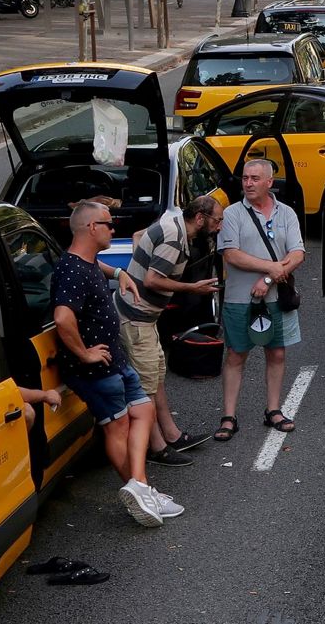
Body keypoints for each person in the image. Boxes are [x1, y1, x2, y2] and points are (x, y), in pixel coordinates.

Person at [53, 201, 182, 527]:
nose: (114, 229)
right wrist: (84, 353)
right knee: (117, 426)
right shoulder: (69, 270)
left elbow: (94, 269)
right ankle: (142, 491)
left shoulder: (87, 262)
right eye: (109, 224)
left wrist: (121, 272)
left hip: (116, 358)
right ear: (91, 228)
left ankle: (141, 488)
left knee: (143, 409)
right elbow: (62, 317)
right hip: (94, 367)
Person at [115, 197, 222, 467]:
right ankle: (157, 448)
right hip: (136, 320)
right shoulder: (175, 238)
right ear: (199, 218)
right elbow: (153, 279)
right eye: (216, 220)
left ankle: (172, 434)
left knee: (157, 376)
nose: (219, 226)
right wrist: (192, 288)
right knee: (145, 386)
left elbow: (139, 235)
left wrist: (135, 269)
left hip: (145, 318)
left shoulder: (172, 222)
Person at [214, 159, 305, 442]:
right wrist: (271, 268)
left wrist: (268, 280)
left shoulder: (286, 212)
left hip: (277, 297)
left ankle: (274, 410)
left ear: (269, 182)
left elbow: (298, 253)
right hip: (240, 298)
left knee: (276, 353)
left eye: (255, 178)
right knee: (236, 354)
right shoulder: (232, 214)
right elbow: (231, 254)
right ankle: (228, 416)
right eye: (245, 178)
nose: (248, 183)